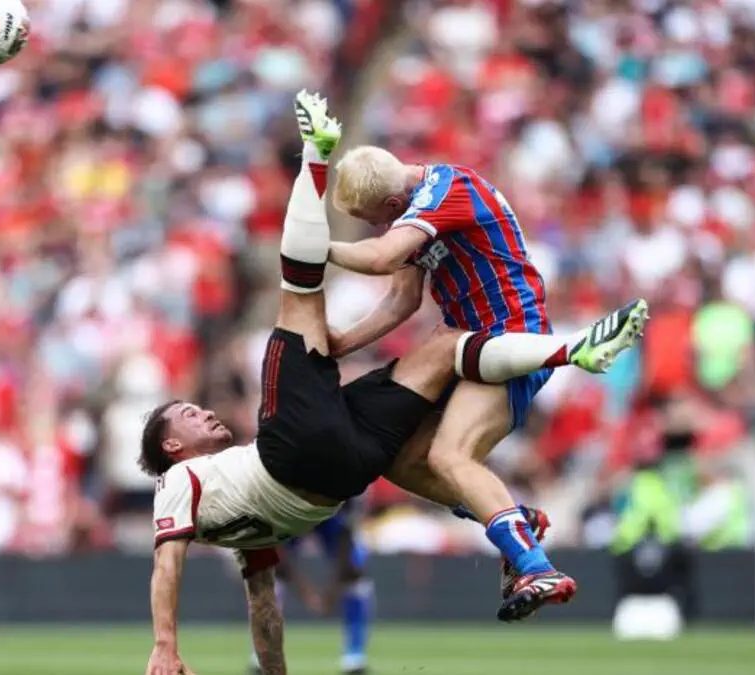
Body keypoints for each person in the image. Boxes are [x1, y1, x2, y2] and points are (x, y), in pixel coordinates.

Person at [142, 91, 637, 675]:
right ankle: (315, 155)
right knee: (309, 298)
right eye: (188, 417)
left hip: (355, 460)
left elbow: (264, 606)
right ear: (171, 449)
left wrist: (320, 271)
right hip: (312, 450)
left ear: (394, 201)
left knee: (440, 408)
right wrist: (164, 646)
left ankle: (565, 377)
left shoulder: (444, 192)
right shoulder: (179, 482)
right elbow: (171, 568)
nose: (201, 412)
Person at [326, 142, 649, 620]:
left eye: (375, 218)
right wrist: (343, 344)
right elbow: (402, 301)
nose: (378, 227)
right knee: (394, 458)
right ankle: (515, 520)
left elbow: (378, 259)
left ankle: (537, 567)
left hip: (509, 341)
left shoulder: (446, 190)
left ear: (392, 205)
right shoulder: (414, 211)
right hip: (465, 352)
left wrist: (316, 249)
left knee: (448, 455)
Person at [247, 501, 371, 675]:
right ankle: (262, 652)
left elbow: (348, 559)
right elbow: (278, 560)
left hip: (329, 513)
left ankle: (354, 657)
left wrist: (330, 596)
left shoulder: (343, 493)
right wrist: (307, 594)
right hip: (290, 510)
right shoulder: (282, 497)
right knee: (267, 575)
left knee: (357, 582)